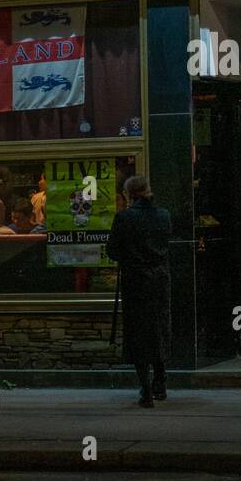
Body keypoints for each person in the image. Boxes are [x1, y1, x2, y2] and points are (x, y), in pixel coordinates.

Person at [106, 175, 171, 408]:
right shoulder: (163, 216)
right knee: (159, 329)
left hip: (135, 282)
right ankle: (160, 383)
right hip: (160, 281)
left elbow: (112, 251)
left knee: (138, 334)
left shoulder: (123, 218)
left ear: (128, 194)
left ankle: (145, 388)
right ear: (148, 190)